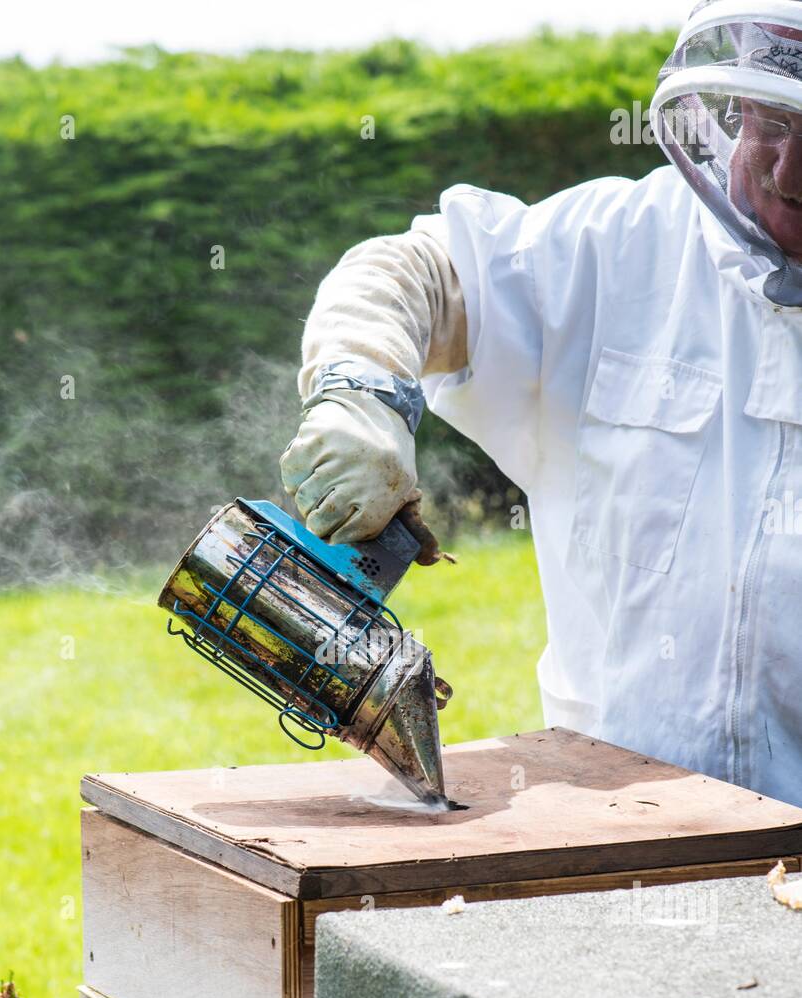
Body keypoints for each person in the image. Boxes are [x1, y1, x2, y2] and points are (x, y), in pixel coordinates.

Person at [279, 2, 802, 804]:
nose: (785, 170)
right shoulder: (619, 247)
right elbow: (416, 274)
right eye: (770, 119)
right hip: (603, 836)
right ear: (729, 107)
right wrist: (362, 391)